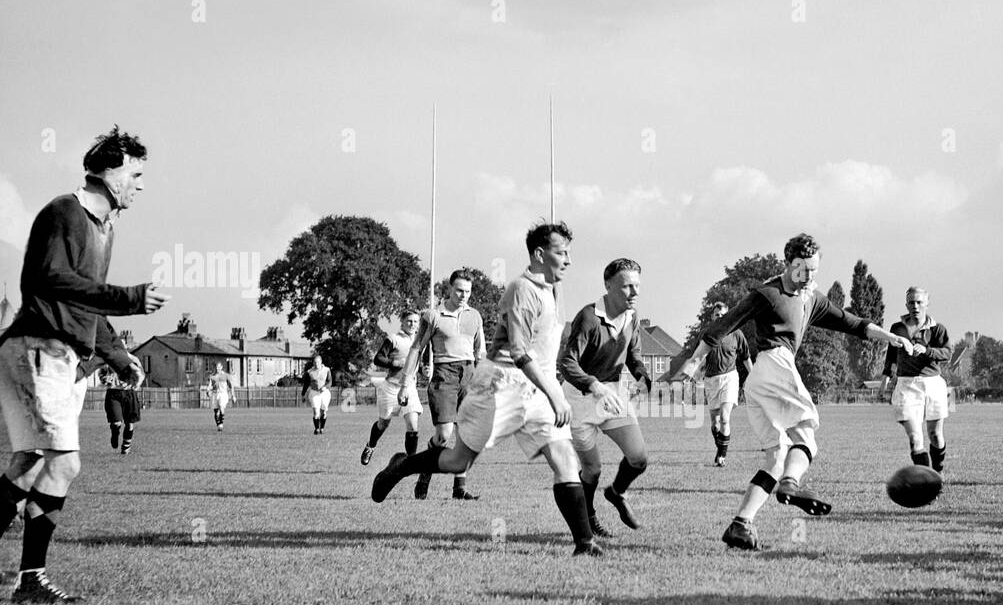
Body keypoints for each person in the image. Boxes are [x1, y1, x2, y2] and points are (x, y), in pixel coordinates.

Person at [0, 125, 169, 603]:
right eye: (135, 174)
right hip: (38, 348)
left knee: (30, 463)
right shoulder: (64, 213)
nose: (140, 184)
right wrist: (130, 297)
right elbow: (50, 278)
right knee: (64, 462)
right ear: (110, 173)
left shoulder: (104, 228)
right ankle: (30, 580)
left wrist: (118, 353)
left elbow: (87, 306)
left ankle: (28, 578)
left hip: (57, 352)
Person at [373, 220, 603, 556]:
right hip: (501, 386)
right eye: (560, 252)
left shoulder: (551, 290)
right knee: (455, 462)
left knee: (564, 460)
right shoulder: (522, 290)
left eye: (569, 252)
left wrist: (552, 388)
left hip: (536, 389)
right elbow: (521, 352)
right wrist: (556, 394)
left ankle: (584, 544)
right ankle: (402, 466)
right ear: (539, 254)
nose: (568, 259)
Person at [674, 233, 904, 550]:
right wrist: (691, 363)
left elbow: (852, 323)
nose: (810, 276)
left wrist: (889, 338)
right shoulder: (768, 293)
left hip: (759, 381)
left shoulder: (811, 298)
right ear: (788, 264)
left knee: (777, 456)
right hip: (773, 365)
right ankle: (791, 486)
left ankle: (741, 524)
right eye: (803, 269)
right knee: (807, 434)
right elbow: (721, 326)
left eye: (814, 270)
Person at [559, 258, 654, 535]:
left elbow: (634, 356)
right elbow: (567, 363)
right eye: (627, 286)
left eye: (637, 286)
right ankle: (588, 519)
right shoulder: (588, 317)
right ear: (608, 285)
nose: (634, 293)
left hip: (612, 394)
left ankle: (616, 492)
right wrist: (594, 385)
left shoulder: (632, 317)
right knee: (592, 469)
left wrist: (642, 377)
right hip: (579, 398)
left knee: (639, 458)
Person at [409, 270, 487, 501]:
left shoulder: (475, 316)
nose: (464, 295)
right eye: (459, 290)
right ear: (450, 289)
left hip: (469, 373)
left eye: (468, 291)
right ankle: (424, 475)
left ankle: (459, 489)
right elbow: (416, 348)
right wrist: (406, 382)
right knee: (444, 434)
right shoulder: (433, 315)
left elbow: (479, 351)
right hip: (445, 373)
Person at [880, 287, 953, 473]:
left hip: (933, 384)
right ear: (906, 305)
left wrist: (927, 351)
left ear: (927, 304)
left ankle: (937, 474)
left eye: (919, 302)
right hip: (906, 385)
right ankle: (926, 483)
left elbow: (947, 353)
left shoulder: (938, 329)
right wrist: (885, 379)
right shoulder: (897, 328)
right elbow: (891, 354)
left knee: (935, 435)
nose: (915, 306)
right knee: (915, 439)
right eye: (911, 302)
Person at [681, 299, 751, 467]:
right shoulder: (707, 333)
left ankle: (722, 456)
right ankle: (720, 447)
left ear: (728, 315)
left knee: (725, 418)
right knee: (715, 422)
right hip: (711, 380)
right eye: (717, 315)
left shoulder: (736, 334)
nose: (720, 317)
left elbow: (746, 357)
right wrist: (690, 375)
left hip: (730, 377)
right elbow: (699, 357)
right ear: (712, 316)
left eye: (723, 315)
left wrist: (754, 376)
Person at [360, 310, 423, 466]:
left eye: (415, 321)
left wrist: (424, 370)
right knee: (383, 423)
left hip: (409, 388)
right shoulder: (394, 339)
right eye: (409, 321)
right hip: (391, 388)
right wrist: (394, 363)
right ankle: (370, 446)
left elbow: (417, 364)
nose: (412, 324)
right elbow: (378, 358)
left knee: (413, 424)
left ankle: (411, 462)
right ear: (402, 322)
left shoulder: (421, 341)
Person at [101, 366, 142, 455]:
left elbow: (140, 373)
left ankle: (126, 448)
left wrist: (137, 382)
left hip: (129, 393)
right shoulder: (108, 360)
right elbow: (102, 373)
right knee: (116, 423)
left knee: (130, 424)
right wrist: (104, 379)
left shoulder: (132, 360)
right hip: (113, 393)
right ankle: (115, 434)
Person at [302, 354, 332, 434]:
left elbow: (330, 382)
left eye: (318, 362)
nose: (316, 364)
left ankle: (322, 428)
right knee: (316, 411)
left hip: (324, 393)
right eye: (315, 362)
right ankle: (316, 429)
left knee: (323, 412)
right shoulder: (310, 372)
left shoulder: (327, 370)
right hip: (314, 392)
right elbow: (306, 384)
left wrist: (325, 387)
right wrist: (303, 395)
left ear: (321, 362)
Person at [209, 363, 236, 430]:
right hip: (215, 394)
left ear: (221, 367)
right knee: (216, 411)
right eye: (216, 367)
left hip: (223, 394)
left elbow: (231, 386)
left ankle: (221, 423)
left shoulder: (226, 375)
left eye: (219, 367)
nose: (217, 368)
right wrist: (208, 390)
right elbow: (210, 385)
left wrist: (233, 396)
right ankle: (218, 424)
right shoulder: (213, 376)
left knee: (222, 408)